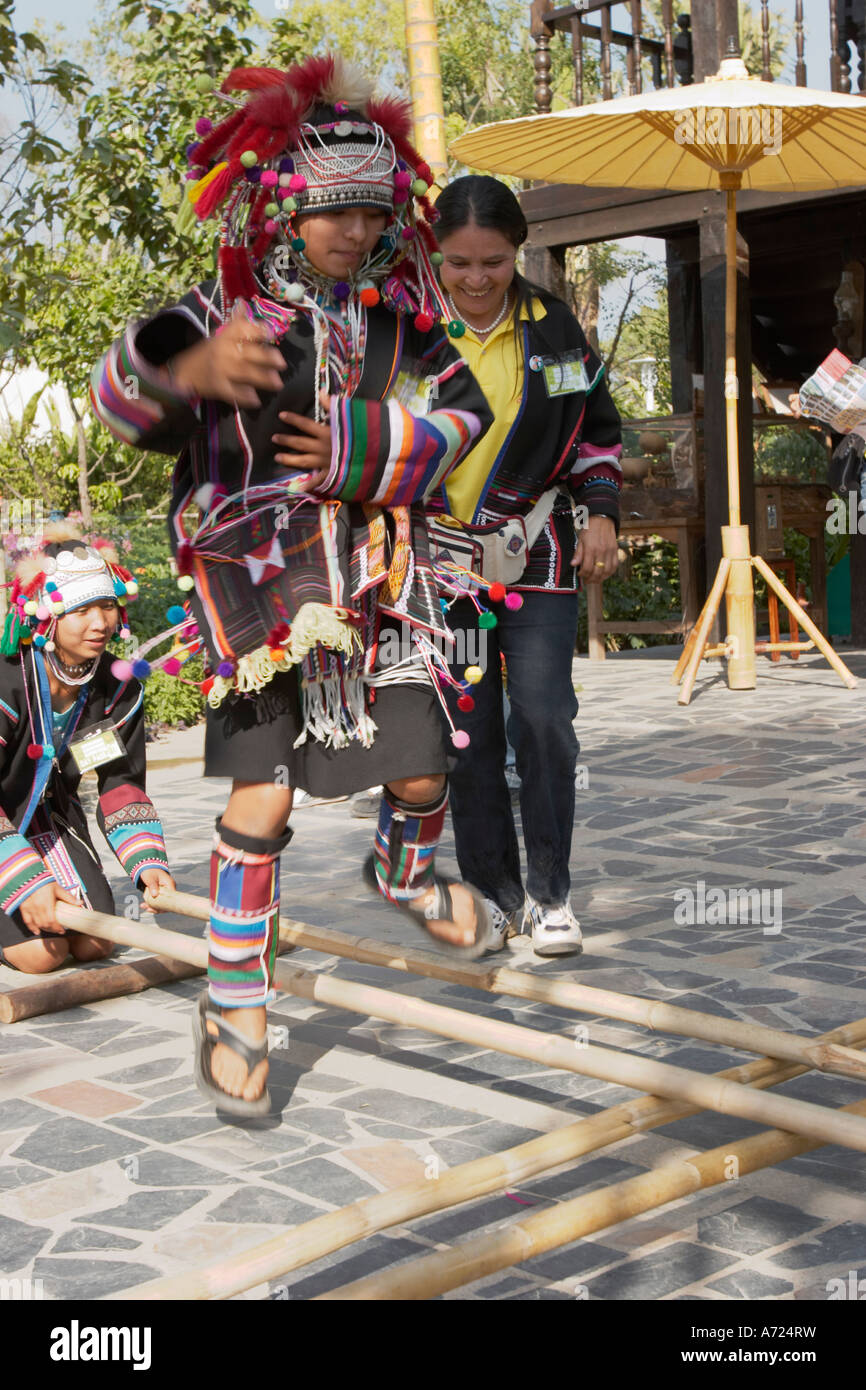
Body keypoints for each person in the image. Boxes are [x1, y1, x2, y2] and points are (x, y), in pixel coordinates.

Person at [90, 55, 495, 1116]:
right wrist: (185, 376)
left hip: (375, 587)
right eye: (331, 214)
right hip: (262, 601)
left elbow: (465, 415)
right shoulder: (212, 310)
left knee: (418, 777)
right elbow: (116, 392)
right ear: (280, 207)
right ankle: (234, 1000)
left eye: (369, 213)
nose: (353, 235)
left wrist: (371, 443)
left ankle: (403, 871)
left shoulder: (399, 320)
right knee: (259, 800)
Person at [428, 175, 623, 957]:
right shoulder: (410, 332)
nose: (477, 281)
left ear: (520, 251)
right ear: (434, 255)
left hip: (535, 562)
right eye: (459, 264)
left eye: (495, 263)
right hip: (452, 581)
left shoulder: (554, 331)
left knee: (543, 719)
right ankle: (493, 894)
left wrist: (602, 509)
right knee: (469, 728)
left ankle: (550, 895)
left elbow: (597, 434)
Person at [0, 526, 175, 973]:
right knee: (42, 955)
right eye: (83, 610)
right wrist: (21, 879)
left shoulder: (117, 691)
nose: (100, 622)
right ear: (47, 617)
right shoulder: (7, 682)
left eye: (107, 606)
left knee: (96, 943)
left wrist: (147, 863)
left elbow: (119, 781)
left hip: (50, 820)